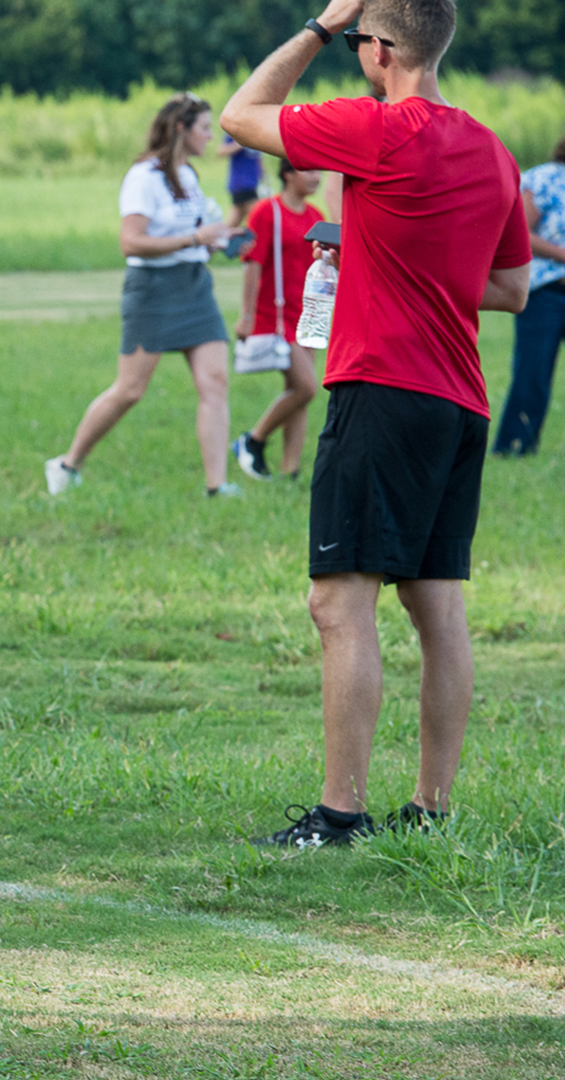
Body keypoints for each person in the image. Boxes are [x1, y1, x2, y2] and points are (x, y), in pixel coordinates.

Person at [220, 0, 530, 845]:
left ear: (382, 48)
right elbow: (511, 290)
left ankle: (339, 814)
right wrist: (384, 255)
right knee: (440, 612)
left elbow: (239, 115)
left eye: (361, 41)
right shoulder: (493, 151)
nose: (356, 51)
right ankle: (430, 810)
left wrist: (321, 25)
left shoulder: (376, 128)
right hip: (458, 402)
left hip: (382, 390)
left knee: (338, 603)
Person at [45, 93, 242, 498]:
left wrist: (214, 241)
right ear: (181, 129)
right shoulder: (144, 177)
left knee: (215, 381)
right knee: (130, 390)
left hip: (194, 285)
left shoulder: (189, 176)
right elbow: (131, 243)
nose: (211, 137)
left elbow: (196, 234)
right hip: (153, 291)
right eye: (204, 128)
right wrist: (193, 236)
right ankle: (67, 465)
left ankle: (216, 485)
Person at [230, 159, 326, 480]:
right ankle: (253, 440)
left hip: (306, 314)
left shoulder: (316, 217)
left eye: (318, 170)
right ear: (287, 174)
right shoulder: (266, 212)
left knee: (298, 391)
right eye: (309, 169)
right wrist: (246, 315)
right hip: (274, 316)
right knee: (307, 388)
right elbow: (252, 265)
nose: (316, 176)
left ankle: (291, 470)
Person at [491, 128, 565, 456]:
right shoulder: (545, 179)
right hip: (546, 293)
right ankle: (515, 445)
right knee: (532, 373)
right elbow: (520, 232)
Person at [218, 134, 262, 227]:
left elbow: (257, 157)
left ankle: (222, 238)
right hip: (241, 183)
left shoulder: (255, 132)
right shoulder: (236, 132)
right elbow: (221, 151)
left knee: (235, 219)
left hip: (253, 183)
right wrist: (241, 144)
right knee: (258, 219)